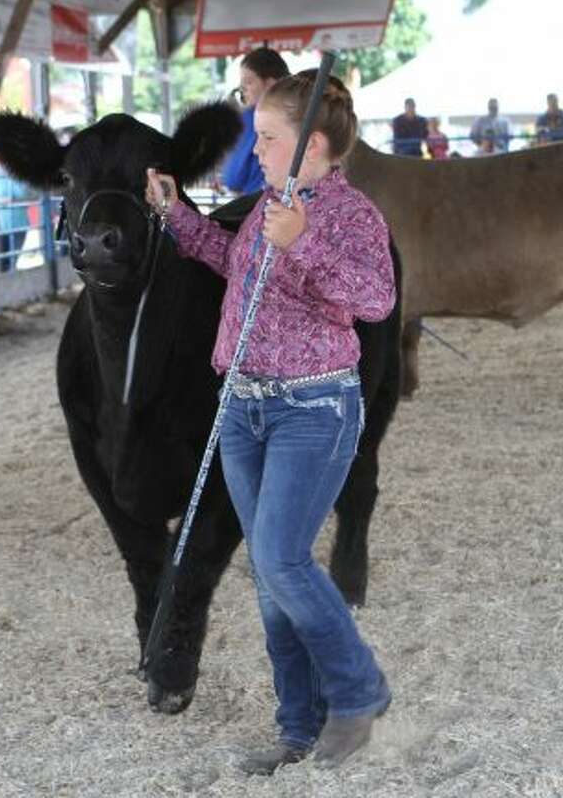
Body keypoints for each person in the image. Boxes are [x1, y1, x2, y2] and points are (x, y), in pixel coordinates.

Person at [145, 69, 395, 776]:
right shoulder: (268, 206)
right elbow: (237, 264)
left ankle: (359, 688)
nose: (255, 150)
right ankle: (298, 725)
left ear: (312, 144)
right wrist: (178, 215)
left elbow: (376, 299)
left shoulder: (350, 215)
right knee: (271, 570)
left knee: (282, 558)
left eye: (268, 137)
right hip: (244, 406)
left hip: (312, 407)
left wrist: (305, 241)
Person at [221, 47, 290, 195]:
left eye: (248, 82)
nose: (243, 90)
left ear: (270, 85)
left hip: (256, 204)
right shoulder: (299, 114)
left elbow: (234, 178)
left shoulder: (253, 117)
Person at [0, 168, 30, 271]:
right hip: (2, 226)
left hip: (18, 225)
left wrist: (8, 199)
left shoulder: (19, 174)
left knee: (11, 261)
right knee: (3, 262)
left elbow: (24, 193)